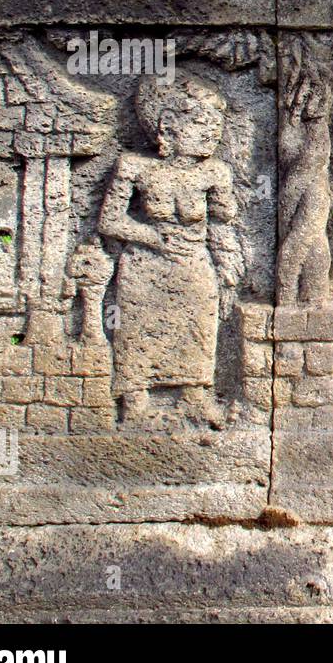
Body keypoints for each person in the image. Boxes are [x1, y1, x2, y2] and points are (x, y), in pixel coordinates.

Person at [99, 76, 240, 429]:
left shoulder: (215, 172)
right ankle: (135, 401)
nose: (212, 133)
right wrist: (152, 237)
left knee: (198, 329)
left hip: (193, 262)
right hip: (146, 263)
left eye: (216, 125)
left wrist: (226, 249)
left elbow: (223, 219)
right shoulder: (135, 167)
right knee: (139, 331)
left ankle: (195, 397)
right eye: (202, 124)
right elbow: (110, 221)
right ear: (170, 128)